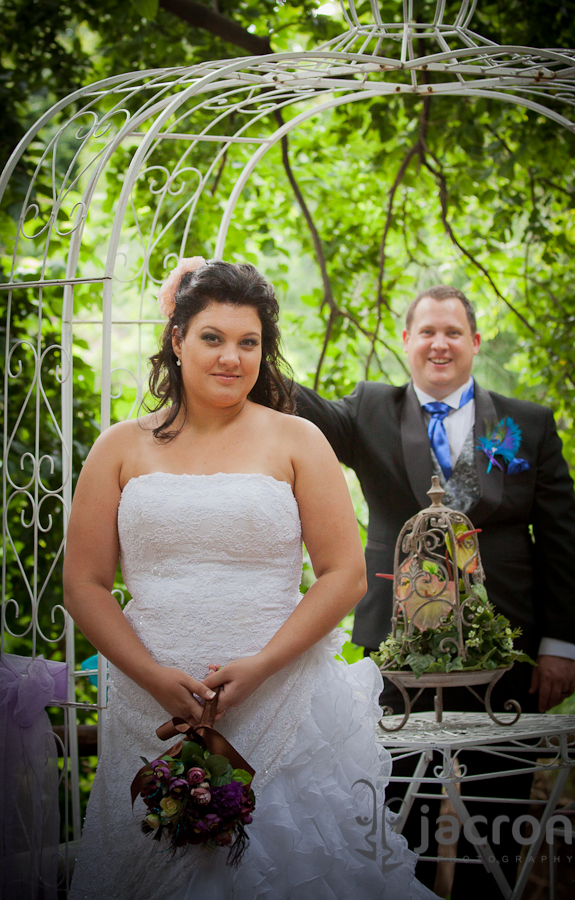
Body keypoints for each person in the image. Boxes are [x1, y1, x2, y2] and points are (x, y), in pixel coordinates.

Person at [63, 259, 437, 900]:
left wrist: (261, 667)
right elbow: (84, 585)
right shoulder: (119, 447)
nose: (231, 358)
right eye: (212, 337)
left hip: (280, 697)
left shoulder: (300, 440)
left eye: (249, 342)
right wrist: (151, 677)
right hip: (149, 707)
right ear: (177, 340)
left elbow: (344, 575)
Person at [294, 284, 575, 896]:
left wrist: (559, 645)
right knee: (401, 815)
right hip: (395, 651)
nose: (439, 343)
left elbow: (562, 540)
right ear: (406, 340)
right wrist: (246, 330)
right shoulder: (369, 409)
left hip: (507, 654)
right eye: (427, 331)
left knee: (498, 815)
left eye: (453, 332)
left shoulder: (527, 423)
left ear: (474, 342)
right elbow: (300, 407)